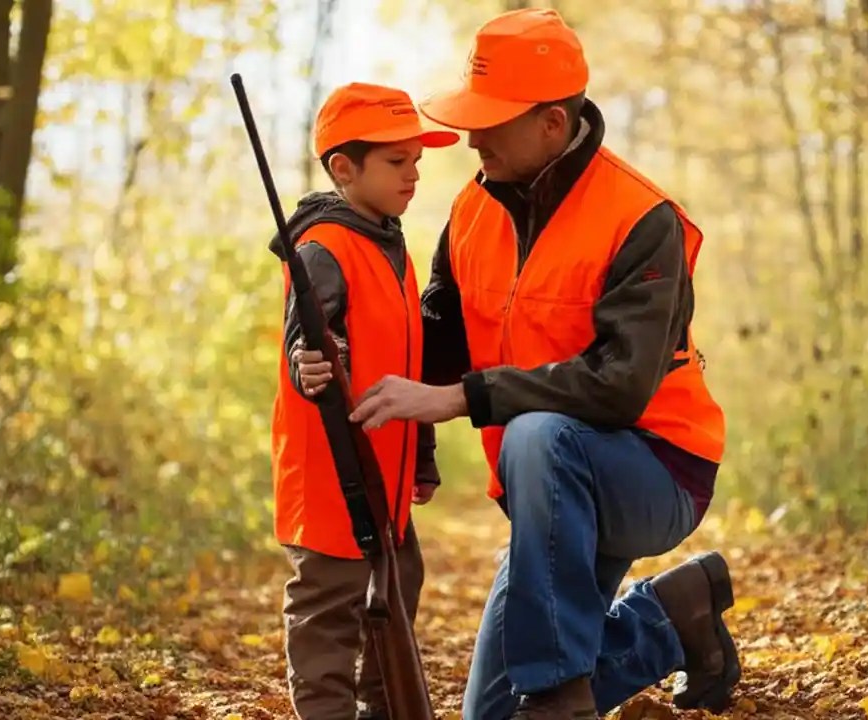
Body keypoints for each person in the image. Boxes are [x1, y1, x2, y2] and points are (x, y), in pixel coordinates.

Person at [343, 9, 742, 719]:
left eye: (491, 121)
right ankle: (671, 619)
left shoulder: (641, 218)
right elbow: (435, 338)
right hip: (551, 495)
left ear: (552, 125)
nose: (471, 138)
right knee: (490, 717)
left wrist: (460, 400)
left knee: (536, 433)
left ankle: (561, 695)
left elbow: (618, 389)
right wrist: (342, 253)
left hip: (655, 471)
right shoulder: (471, 209)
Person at [268, 81, 459, 720]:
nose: (414, 174)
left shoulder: (389, 240)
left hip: (387, 478)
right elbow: (311, 341)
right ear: (344, 168)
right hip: (333, 480)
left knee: (397, 600)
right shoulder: (323, 248)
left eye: (417, 161)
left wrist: (422, 455)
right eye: (397, 162)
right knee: (329, 614)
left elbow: (412, 363)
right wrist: (312, 365)